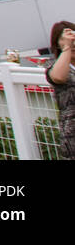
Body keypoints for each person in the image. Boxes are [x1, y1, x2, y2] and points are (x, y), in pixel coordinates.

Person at [45, 19, 75, 159]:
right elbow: (58, 77)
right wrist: (67, 49)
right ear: (57, 43)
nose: (72, 43)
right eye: (65, 39)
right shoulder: (54, 65)